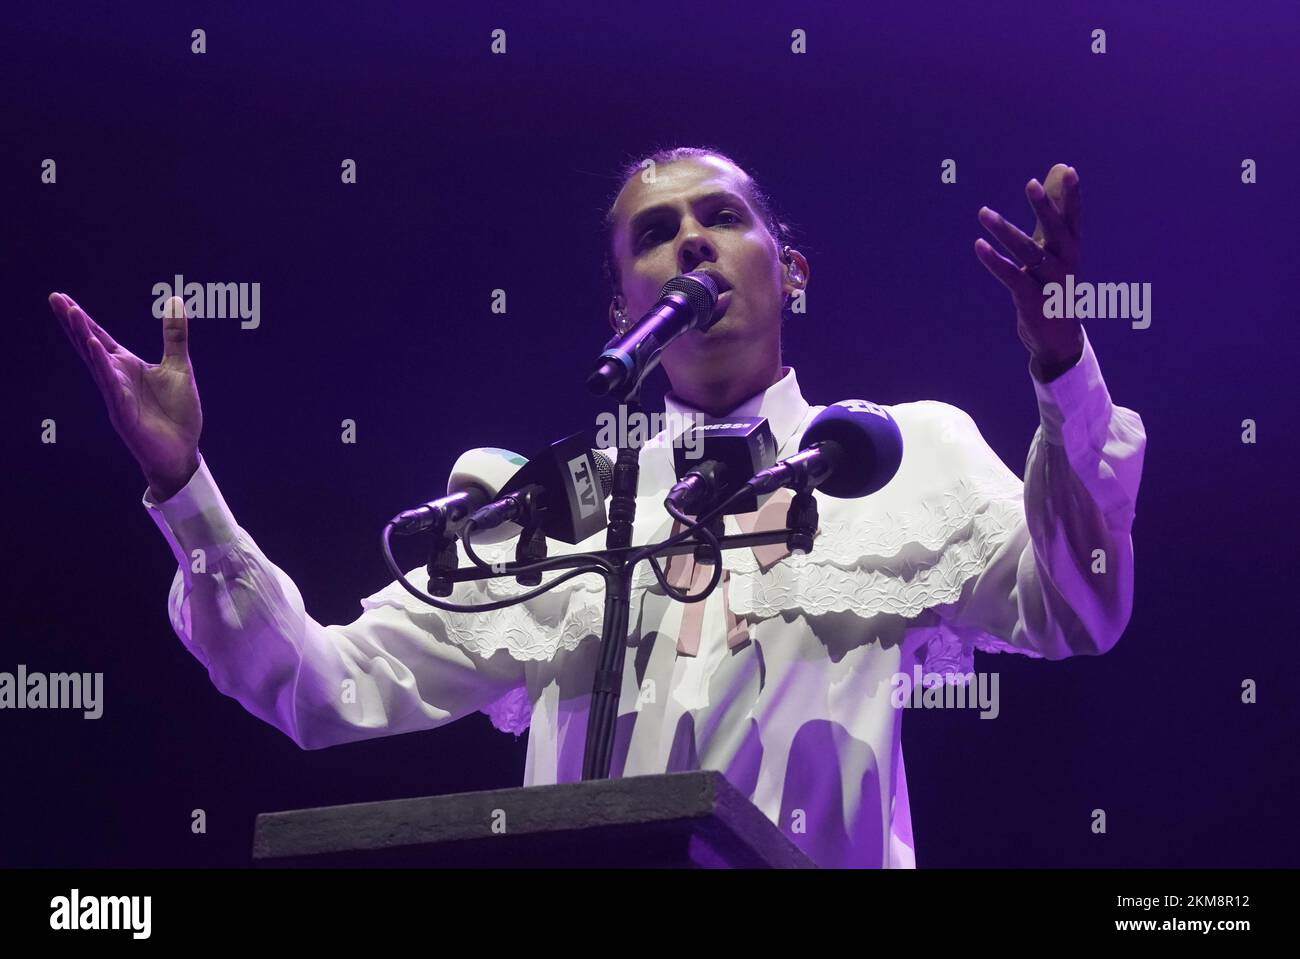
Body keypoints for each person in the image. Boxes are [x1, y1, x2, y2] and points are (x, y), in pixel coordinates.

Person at [47, 146, 1146, 868]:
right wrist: (184, 487)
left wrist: (1060, 363)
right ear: (622, 301)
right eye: (655, 233)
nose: (692, 242)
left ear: (790, 271)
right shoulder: (546, 507)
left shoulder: (896, 449)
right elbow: (321, 687)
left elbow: (1077, 609)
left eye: (722, 217)